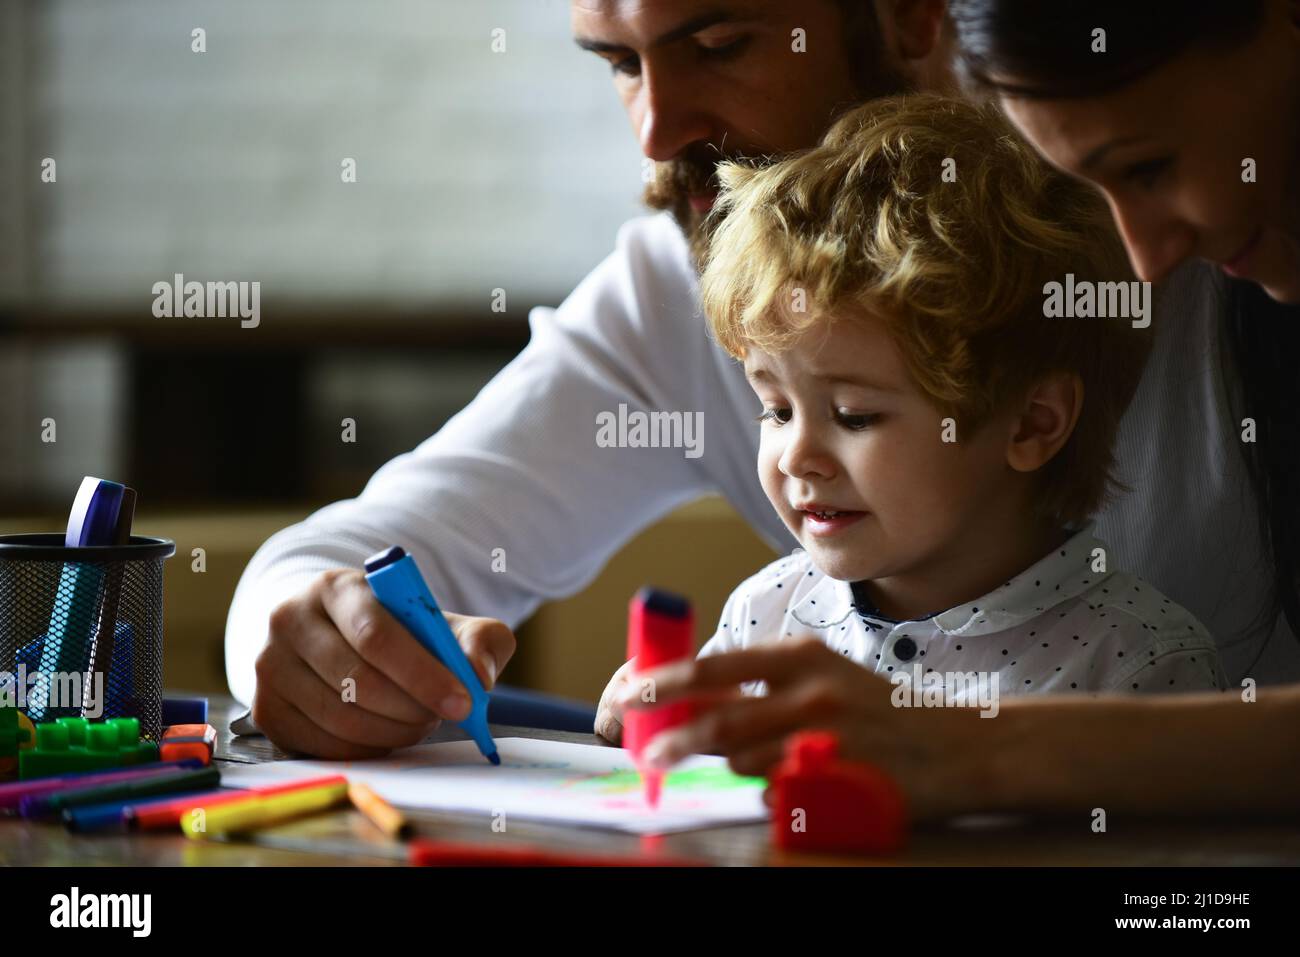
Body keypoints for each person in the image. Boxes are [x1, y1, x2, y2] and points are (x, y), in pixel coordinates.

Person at [228, 1, 1298, 816]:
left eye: (721, 44)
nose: (655, 133)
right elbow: (364, 546)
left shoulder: (1237, 232)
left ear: (907, 15)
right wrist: (305, 631)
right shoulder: (684, 283)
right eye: (618, 64)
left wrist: (962, 750)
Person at [596, 93, 1224, 743]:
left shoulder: (1138, 664)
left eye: (855, 415)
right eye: (776, 409)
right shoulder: (767, 614)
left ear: (1033, 424)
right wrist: (659, 716)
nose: (795, 455)